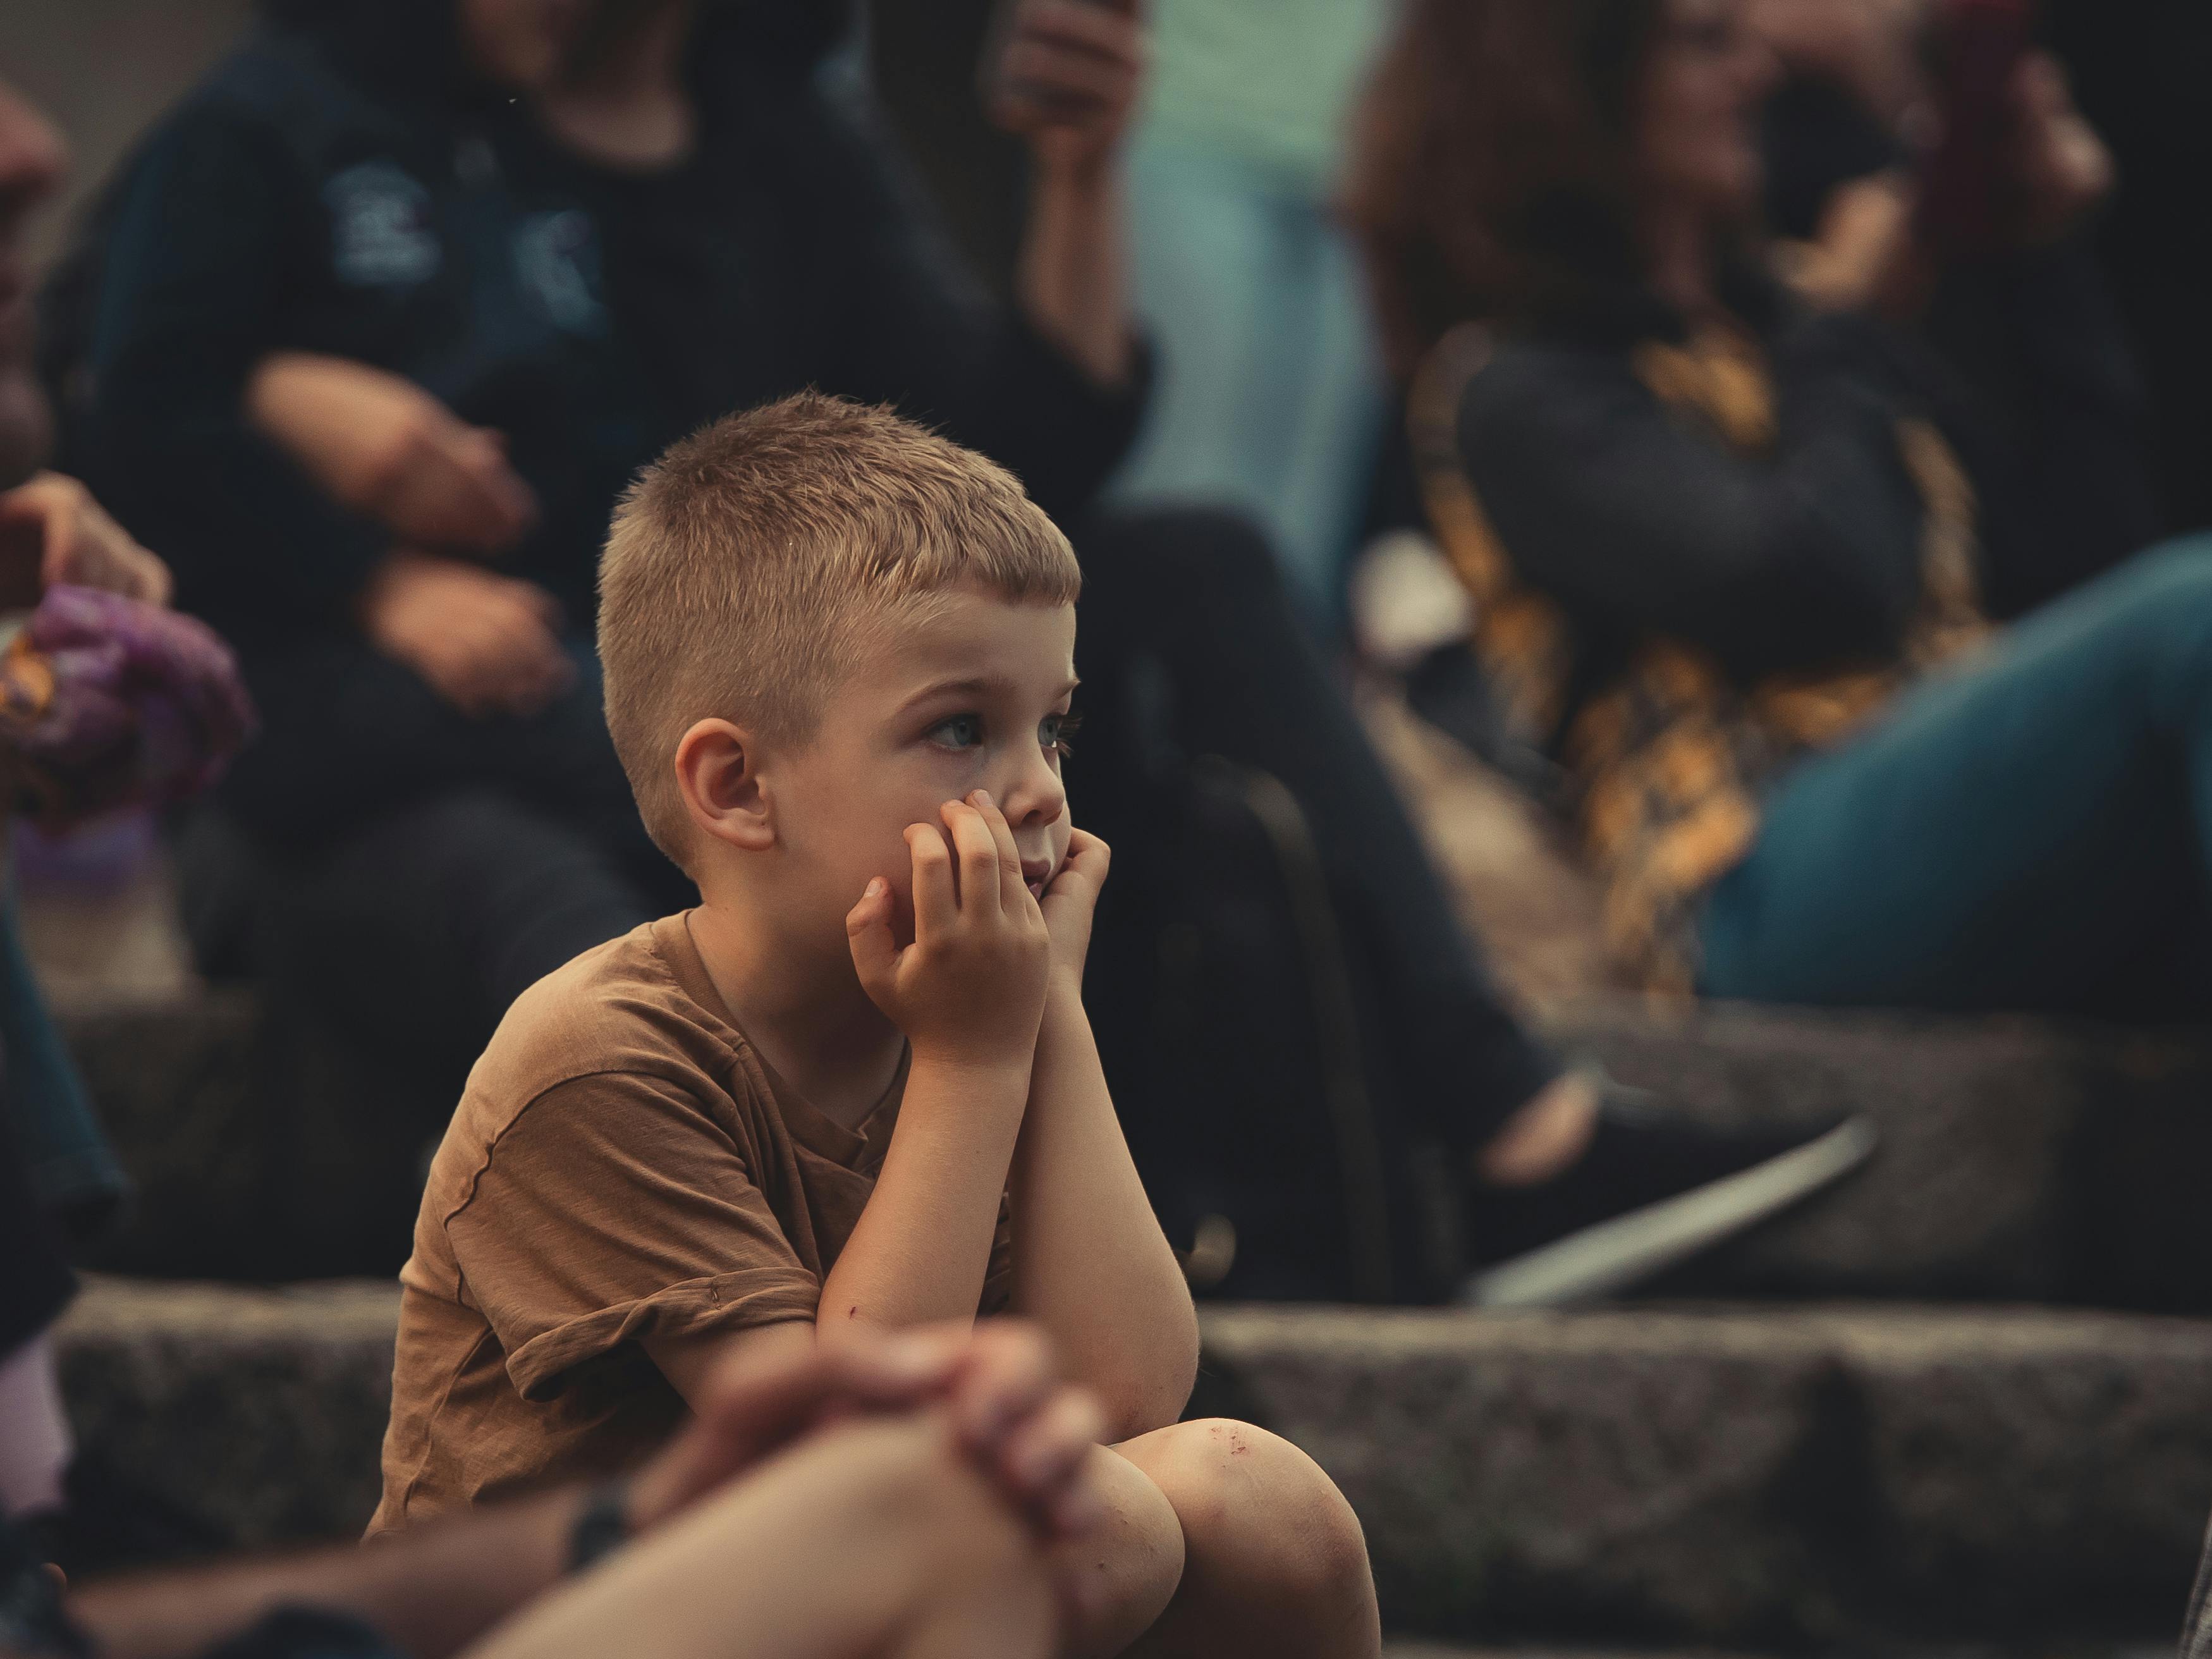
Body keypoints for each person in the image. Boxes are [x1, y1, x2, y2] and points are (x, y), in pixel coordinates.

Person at [61, 0, 1858, 1306]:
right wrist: (347, 537)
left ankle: (1508, 1130)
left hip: (686, 717)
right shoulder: (323, 111)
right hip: (400, 762)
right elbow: (108, 382)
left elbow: (1007, 476)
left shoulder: (767, 143)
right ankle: (806, 1362)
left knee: (1185, 575)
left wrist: (1077, 178)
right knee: (633, 910)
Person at [369, 394, 1385, 1659]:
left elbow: (1122, 1392)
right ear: (739, 787)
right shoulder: (600, 1059)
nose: (1038, 789)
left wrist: (1045, 1018)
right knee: (1089, 1523)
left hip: (835, 1590)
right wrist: (972, 1057)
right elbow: (837, 1472)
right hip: (571, 1625)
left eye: (1051, 726)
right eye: (961, 729)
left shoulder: (959, 1014)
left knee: (1257, 1498)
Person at [1351, 0, 2212, 1021]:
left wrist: (2040, 257)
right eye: (1704, 38)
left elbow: (2093, 570)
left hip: (1929, 823)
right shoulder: (1513, 388)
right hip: (1740, 889)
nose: (1758, 69)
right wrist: (1838, 326)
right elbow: (1812, 586)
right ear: (1569, 85)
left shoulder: (1800, 332)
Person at [1104, 0, 1396, 637]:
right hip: (1188, 127)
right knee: (1183, 482)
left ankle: (1266, 725)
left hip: (1355, 151)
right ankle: (1136, 718)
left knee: (1310, 522)